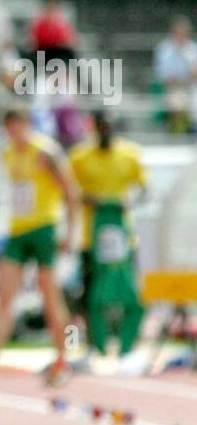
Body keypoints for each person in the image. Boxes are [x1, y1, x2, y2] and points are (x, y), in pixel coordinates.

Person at [0, 108, 80, 385]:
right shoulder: (7, 154)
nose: (15, 133)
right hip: (18, 230)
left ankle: (62, 362)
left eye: (19, 127)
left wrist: (70, 234)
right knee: (5, 296)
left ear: (28, 125)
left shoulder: (46, 153)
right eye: (10, 128)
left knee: (50, 296)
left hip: (44, 228)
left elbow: (71, 192)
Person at [68, 114, 147, 362]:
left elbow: (144, 189)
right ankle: (92, 346)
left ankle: (128, 345)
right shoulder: (80, 156)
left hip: (124, 237)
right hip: (90, 239)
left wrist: (127, 202)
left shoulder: (130, 154)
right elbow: (69, 190)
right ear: (94, 128)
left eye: (109, 128)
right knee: (88, 293)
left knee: (129, 292)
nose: (105, 133)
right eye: (101, 128)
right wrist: (88, 199)